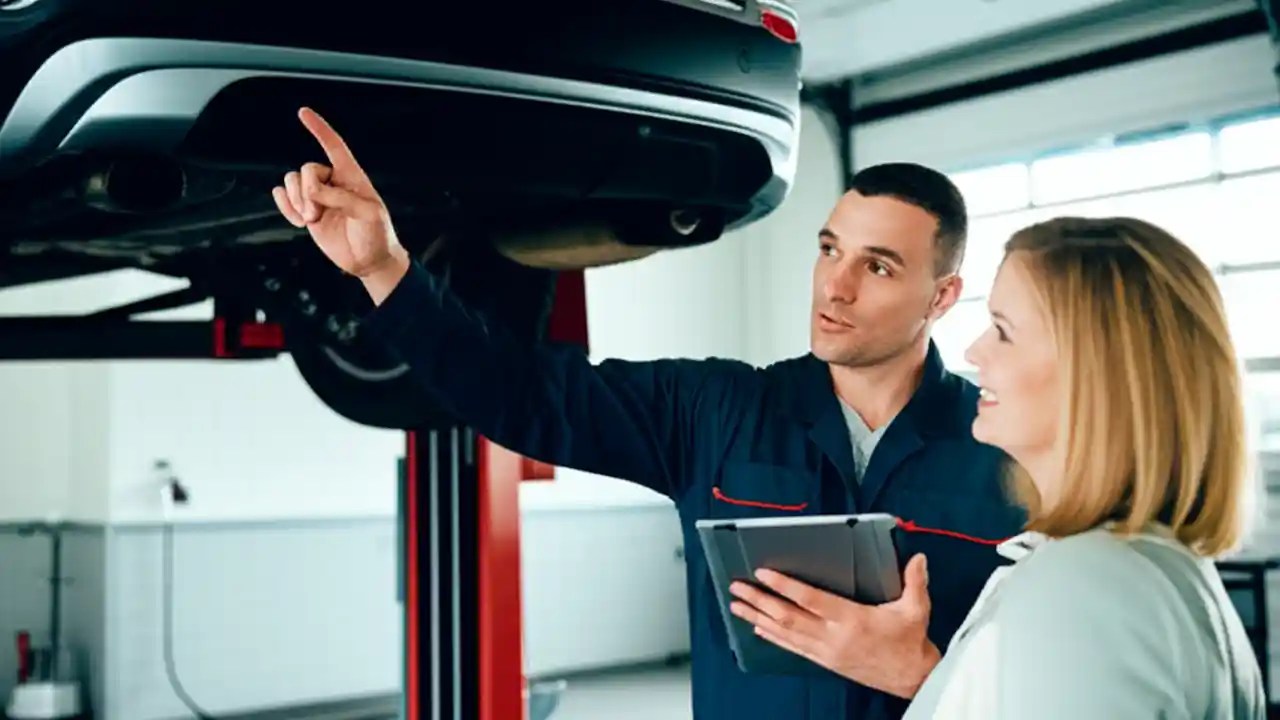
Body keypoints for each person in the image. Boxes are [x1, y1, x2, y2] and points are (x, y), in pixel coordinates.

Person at [271, 107, 1027, 720]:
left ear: (940, 297)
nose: (835, 286)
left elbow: (1069, 680)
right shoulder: (716, 410)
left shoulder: (1009, 452)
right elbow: (525, 396)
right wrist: (384, 270)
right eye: (830, 250)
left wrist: (928, 676)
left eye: (878, 266)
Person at [896, 217, 1266, 718]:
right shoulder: (1148, 574)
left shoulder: (1085, 585)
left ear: (1094, 373)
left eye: (1003, 331)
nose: (973, 351)